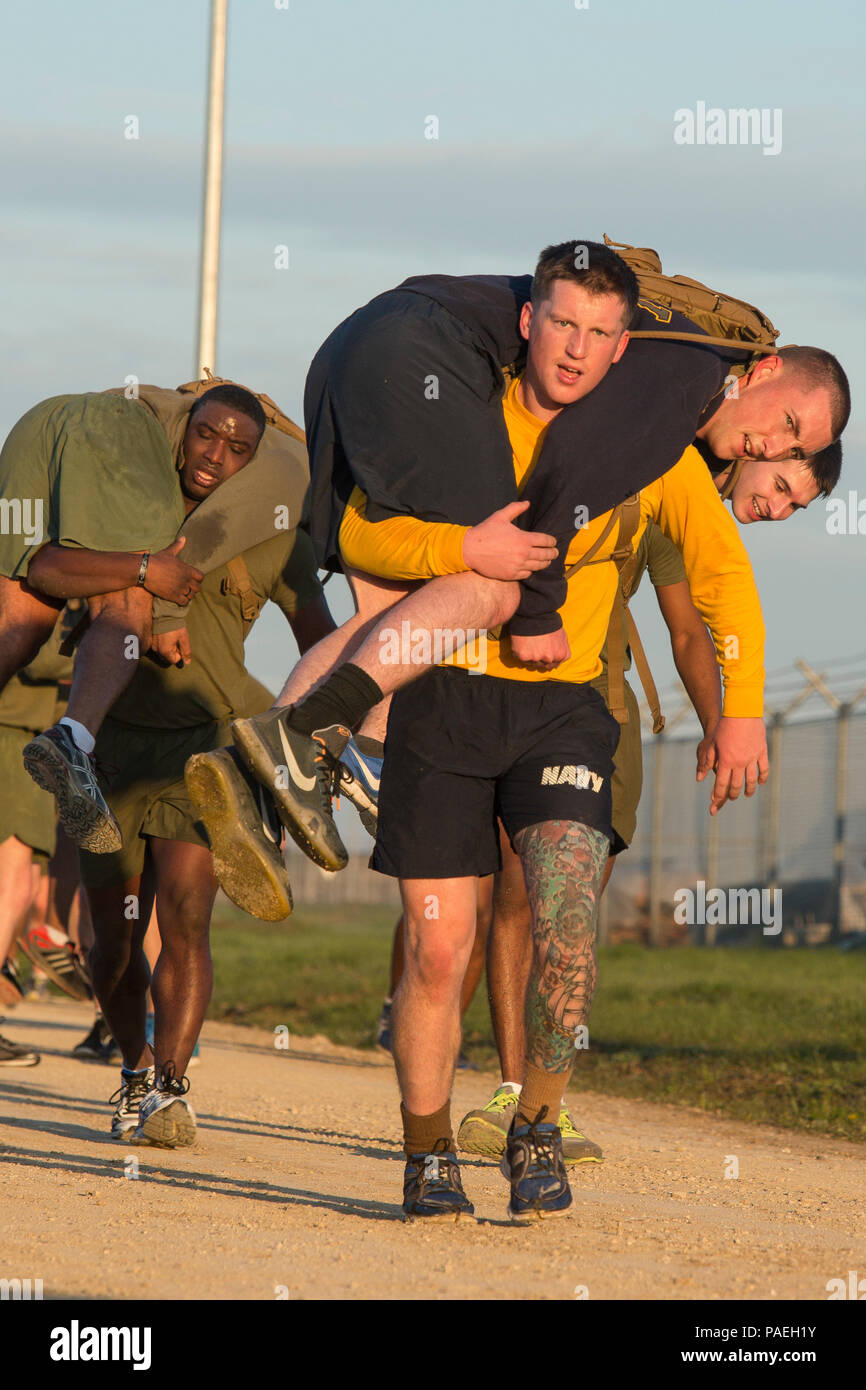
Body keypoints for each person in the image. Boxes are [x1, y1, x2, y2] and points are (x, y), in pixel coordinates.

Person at [79, 385, 334, 1147]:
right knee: (112, 941)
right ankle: (132, 1066)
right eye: (206, 438)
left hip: (204, 749)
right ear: (182, 434)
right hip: (110, 746)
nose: (215, 457)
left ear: (255, 462)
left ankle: (168, 1086)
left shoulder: (275, 534)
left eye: (237, 449)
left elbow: (320, 638)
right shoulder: (131, 504)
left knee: (186, 921)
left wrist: (304, 743)